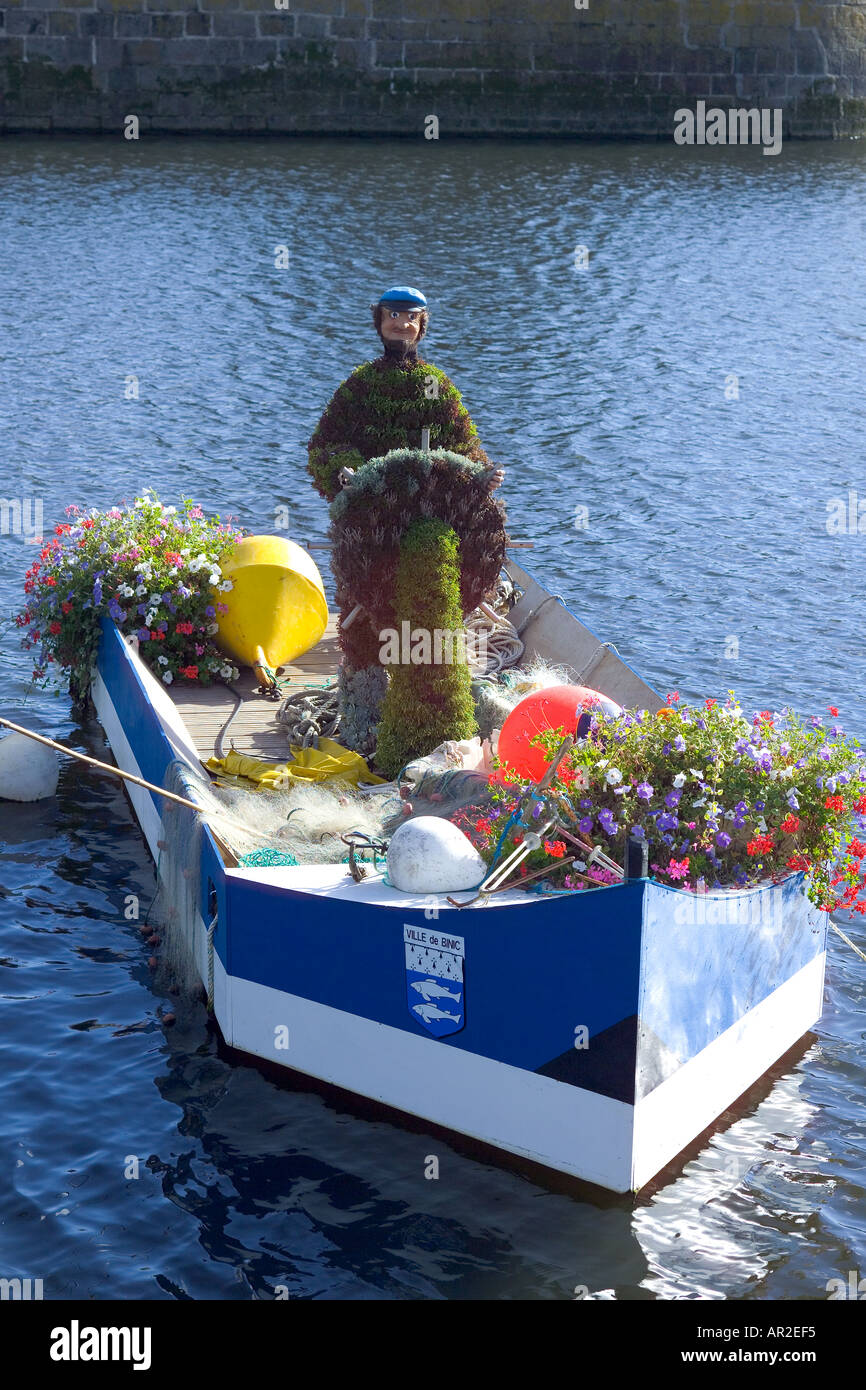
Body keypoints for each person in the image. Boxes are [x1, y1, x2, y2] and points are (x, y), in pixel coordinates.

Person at [307, 286, 504, 501]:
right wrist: (347, 474)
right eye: (393, 315)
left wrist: (482, 473)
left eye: (411, 317)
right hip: (370, 499)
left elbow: (459, 440)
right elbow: (326, 444)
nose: (402, 324)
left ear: (421, 326)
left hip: (427, 499)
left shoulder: (432, 382)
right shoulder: (361, 383)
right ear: (379, 323)